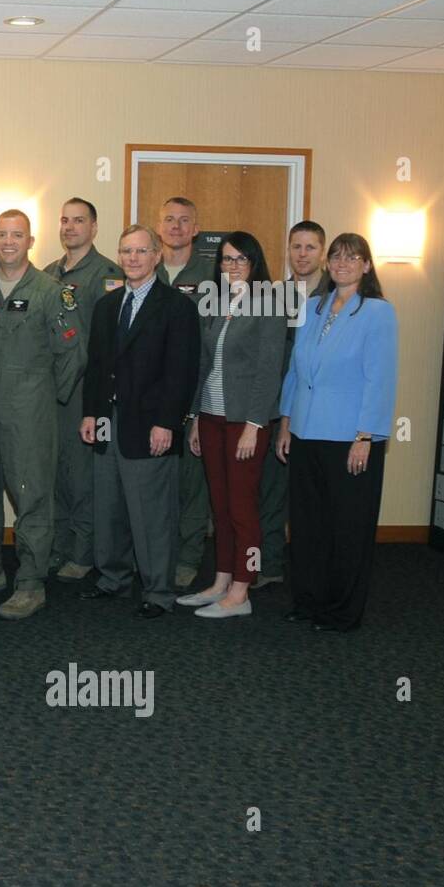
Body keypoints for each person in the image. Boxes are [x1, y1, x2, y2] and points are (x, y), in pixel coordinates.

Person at [0, 210, 85, 620]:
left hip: (30, 411)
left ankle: (30, 582)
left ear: (31, 241)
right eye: (3, 234)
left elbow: (72, 354)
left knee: (32, 496)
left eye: (18, 235)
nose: (9, 241)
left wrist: (46, 398)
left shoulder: (51, 290)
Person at [276, 233, 397, 633]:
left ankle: (342, 611)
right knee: (308, 525)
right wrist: (286, 422)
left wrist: (366, 436)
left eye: (353, 257)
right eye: (337, 256)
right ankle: (308, 601)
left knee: (347, 528)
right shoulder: (312, 306)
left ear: (366, 265)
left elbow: (380, 378)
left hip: (351, 438)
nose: (343, 263)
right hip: (307, 432)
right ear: (328, 264)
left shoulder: (378, 312)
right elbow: (295, 370)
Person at [79, 225, 200, 619]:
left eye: (140, 251)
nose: (132, 258)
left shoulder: (176, 307)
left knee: (151, 514)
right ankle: (112, 578)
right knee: (108, 506)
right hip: (107, 422)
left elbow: (181, 372)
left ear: (156, 256)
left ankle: (159, 591)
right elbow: (95, 368)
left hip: (150, 426)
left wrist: (168, 422)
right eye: (126, 251)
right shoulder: (107, 306)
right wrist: (90, 413)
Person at [177, 232, 285, 618]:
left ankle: (243, 588)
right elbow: (204, 366)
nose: (232, 266)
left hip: (245, 422)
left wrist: (255, 424)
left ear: (254, 263)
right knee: (219, 508)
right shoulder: (216, 301)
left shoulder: (269, 302)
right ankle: (222, 582)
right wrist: (193, 418)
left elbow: (269, 371)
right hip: (210, 417)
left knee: (243, 509)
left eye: (241, 259)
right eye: (226, 259)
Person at [44, 197, 123, 582]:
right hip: (50, 387)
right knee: (55, 471)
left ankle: (83, 550)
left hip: (84, 389)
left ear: (93, 228)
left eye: (78, 221)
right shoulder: (47, 272)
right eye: (64, 220)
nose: (70, 227)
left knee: (82, 474)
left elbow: (109, 342)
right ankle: (58, 545)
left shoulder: (106, 274)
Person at [255, 220, 331, 590]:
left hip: (319, 413)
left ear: (323, 252)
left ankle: (312, 568)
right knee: (270, 491)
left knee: (314, 496)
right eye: (296, 247)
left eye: (310, 247)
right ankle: (269, 565)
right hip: (275, 411)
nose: (302, 254)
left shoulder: (337, 297)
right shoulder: (273, 295)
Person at [155, 196, 212, 589]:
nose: (176, 226)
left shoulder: (214, 275)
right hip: (151, 398)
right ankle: (157, 555)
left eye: (184, 221)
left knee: (193, 487)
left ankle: (188, 557)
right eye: (169, 220)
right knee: (157, 483)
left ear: (195, 229)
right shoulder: (143, 269)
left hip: (196, 395)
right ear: (159, 227)